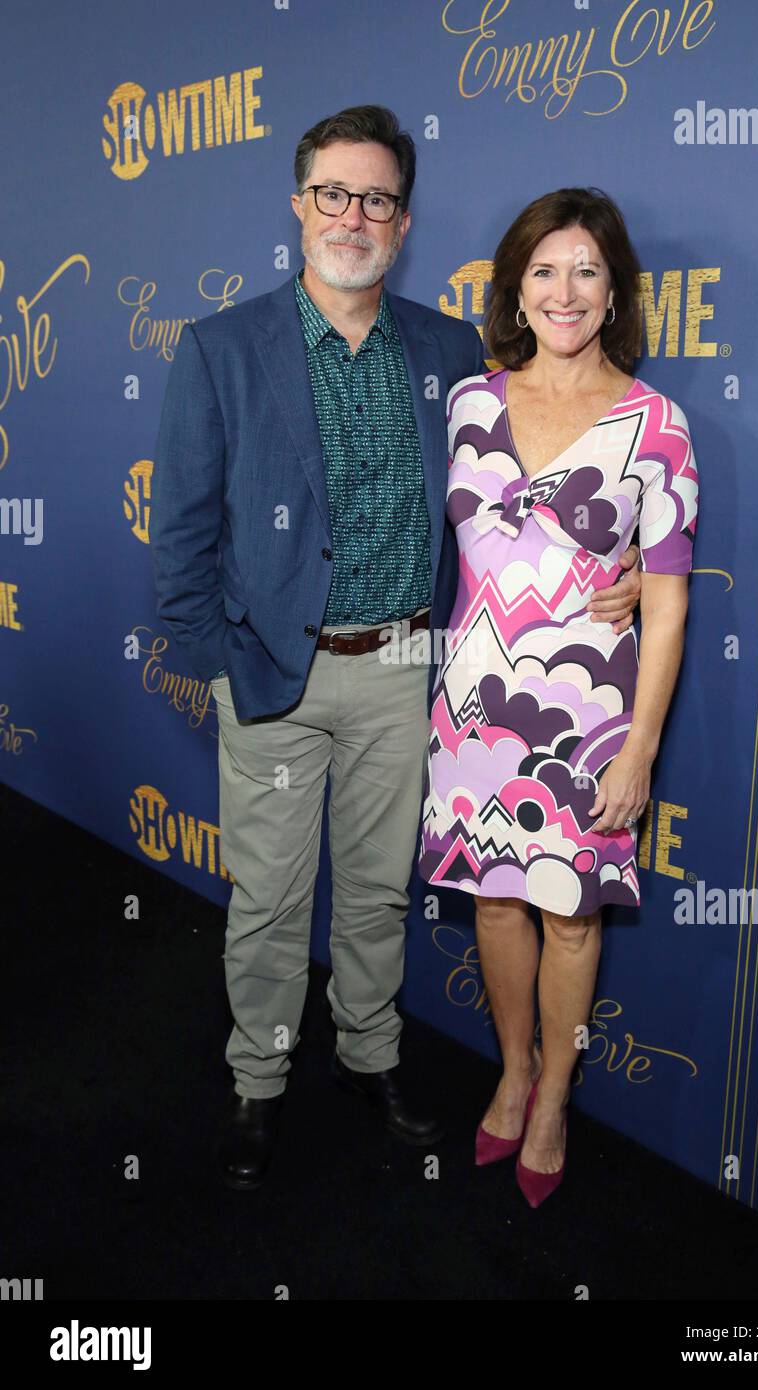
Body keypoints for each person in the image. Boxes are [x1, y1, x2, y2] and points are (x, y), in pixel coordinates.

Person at [150, 108, 643, 1192]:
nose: (352, 216)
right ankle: (260, 1079)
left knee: (375, 894)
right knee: (273, 898)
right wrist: (230, 670)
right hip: (274, 676)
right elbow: (177, 547)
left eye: (375, 198)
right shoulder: (221, 351)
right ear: (297, 203)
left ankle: (369, 1060)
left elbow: (516, 507)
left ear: (403, 220)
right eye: (332, 192)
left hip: (404, 673)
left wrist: (621, 577)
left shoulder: (447, 353)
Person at [419, 187, 699, 1207]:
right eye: (543, 269)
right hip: (472, 706)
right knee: (493, 901)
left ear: (615, 289)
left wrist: (639, 753)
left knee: (570, 919)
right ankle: (511, 1066)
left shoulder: (655, 427)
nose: (564, 290)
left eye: (585, 269)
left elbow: (662, 610)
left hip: (587, 724)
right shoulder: (467, 403)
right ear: (515, 288)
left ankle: (553, 1099)